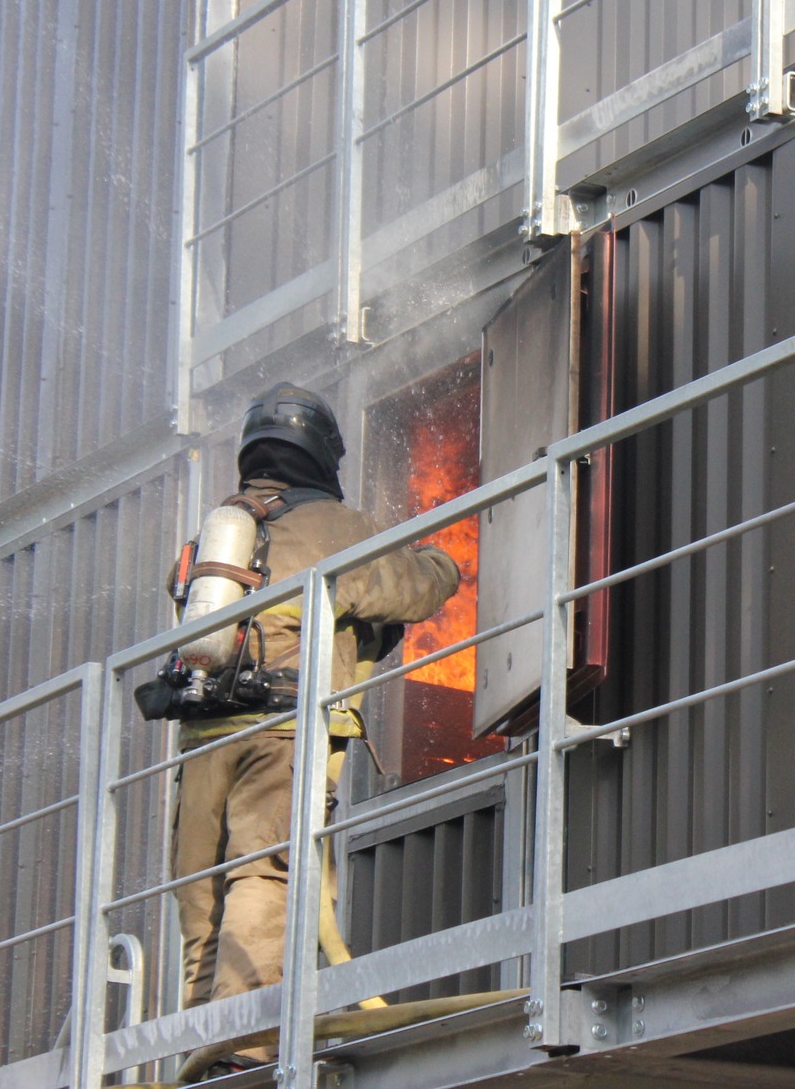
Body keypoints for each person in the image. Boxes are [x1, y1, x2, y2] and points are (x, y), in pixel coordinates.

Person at [165, 383, 460, 1077]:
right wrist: (448, 563)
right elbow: (412, 586)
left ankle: (196, 1052)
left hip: (201, 743)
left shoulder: (220, 532)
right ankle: (240, 1052)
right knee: (269, 875)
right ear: (322, 453)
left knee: (202, 899)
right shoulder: (336, 526)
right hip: (283, 733)